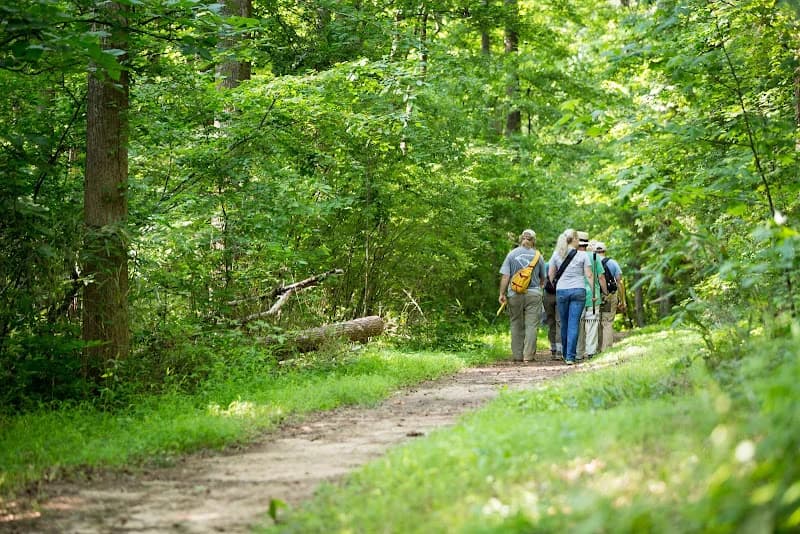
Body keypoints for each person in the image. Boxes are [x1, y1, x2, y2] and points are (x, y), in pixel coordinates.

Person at [499, 229, 547, 362]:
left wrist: (502, 293)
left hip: (514, 293)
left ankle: (517, 355)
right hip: (533, 293)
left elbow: (505, 277)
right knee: (531, 325)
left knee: (515, 323)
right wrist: (539, 287)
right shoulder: (538, 256)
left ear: (521, 239)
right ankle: (528, 356)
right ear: (534, 241)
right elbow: (543, 278)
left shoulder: (511, 255)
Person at [548, 229, 594, 365]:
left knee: (564, 323)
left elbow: (551, 274)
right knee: (574, 323)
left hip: (562, 291)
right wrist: (593, 293)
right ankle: (570, 357)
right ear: (574, 239)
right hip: (579, 291)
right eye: (577, 238)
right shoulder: (582, 255)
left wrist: (557, 286)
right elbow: (589, 275)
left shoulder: (556, 254)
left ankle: (564, 353)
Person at [578, 238, 607, 360]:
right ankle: (590, 352)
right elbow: (601, 277)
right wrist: (605, 292)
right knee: (592, 325)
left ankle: (578, 353)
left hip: (577, 295)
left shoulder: (572, 257)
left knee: (578, 325)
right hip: (593, 295)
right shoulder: (594, 257)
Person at [593, 242, 625, 352]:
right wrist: (622, 300)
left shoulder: (591, 262)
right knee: (607, 322)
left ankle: (595, 348)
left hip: (595, 296)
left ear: (594, 252)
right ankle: (606, 349)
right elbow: (619, 282)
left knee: (596, 321)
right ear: (605, 251)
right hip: (609, 295)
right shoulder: (613, 263)